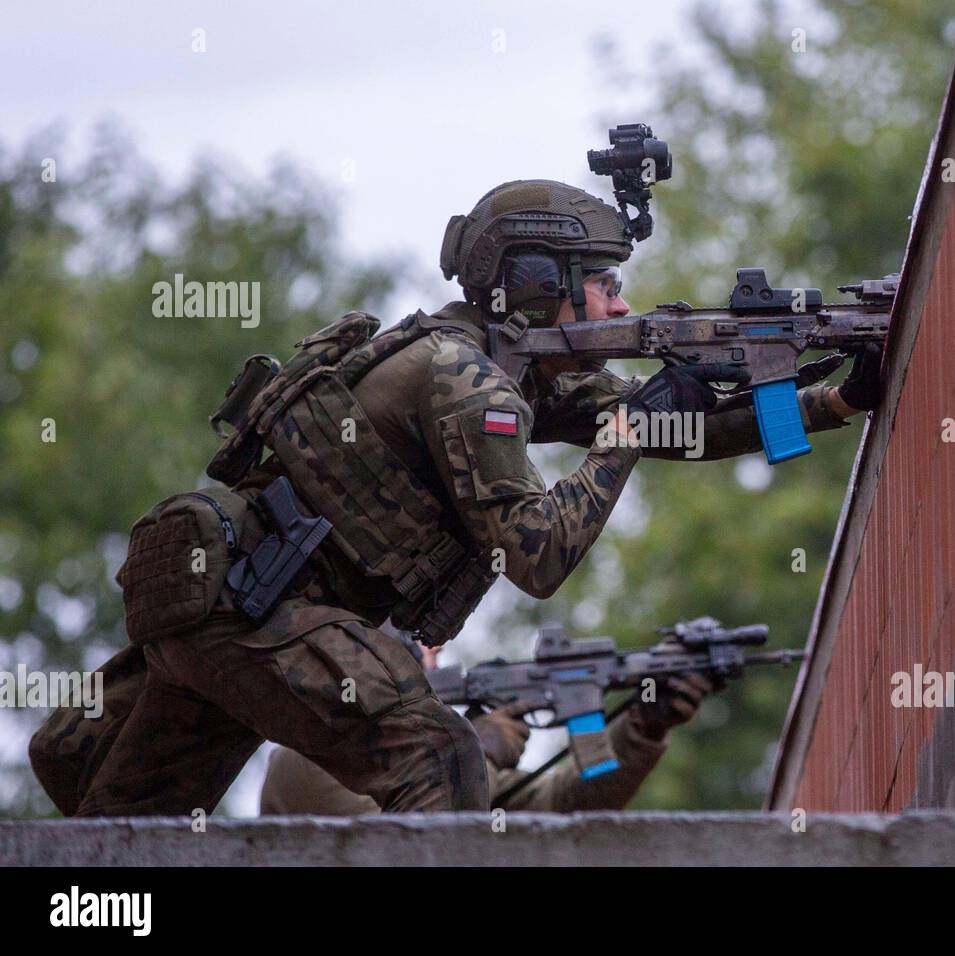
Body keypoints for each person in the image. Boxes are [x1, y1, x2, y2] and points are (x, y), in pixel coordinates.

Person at [30, 178, 884, 817]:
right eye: (605, 284)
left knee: (127, 844)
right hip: (255, 614)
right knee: (439, 756)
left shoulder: (495, 363)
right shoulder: (469, 383)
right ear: (543, 283)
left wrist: (833, 402)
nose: (622, 305)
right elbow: (539, 557)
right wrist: (629, 431)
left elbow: (665, 427)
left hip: (236, 615)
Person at [259, 637, 718, 814]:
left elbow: (571, 802)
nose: (435, 659)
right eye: (419, 648)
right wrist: (474, 750)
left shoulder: (458, 773)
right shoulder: (303, 758)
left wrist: (643, 726)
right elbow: (402, 843)